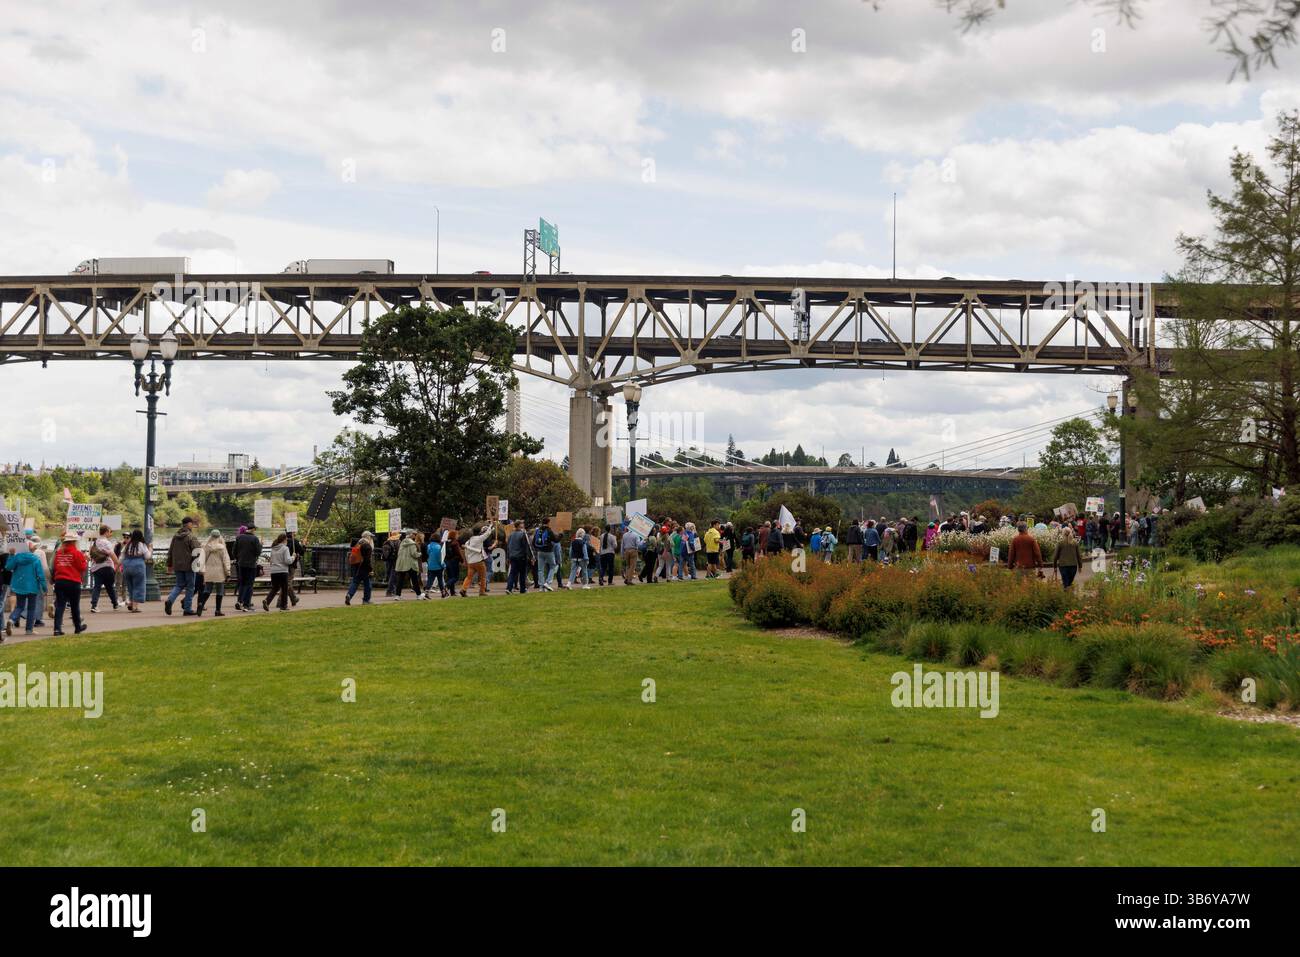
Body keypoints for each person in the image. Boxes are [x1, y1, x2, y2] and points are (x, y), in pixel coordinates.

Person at [5, 536, 46, 638]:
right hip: (32, 587)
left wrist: (11, 555)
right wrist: (44, 587)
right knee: (31, 608)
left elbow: (8, 567)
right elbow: (40, 575)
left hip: (19, 586)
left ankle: (12, 619)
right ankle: (29, 629)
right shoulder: (35, 559)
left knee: (20, 606)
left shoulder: (17, 557)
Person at [51, 530, 88, 637]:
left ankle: (57, 629)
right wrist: (85, 560)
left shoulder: (59, 553)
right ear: (74, 542)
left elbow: (56, 566)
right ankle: (77, 627)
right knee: (74, 606)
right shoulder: (77, 553)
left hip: (60, 581)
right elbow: (82, 567)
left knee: (60, 605)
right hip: (73, 581)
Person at [164, 517, 201, 616]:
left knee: (179, 585)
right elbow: (197, 551)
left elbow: (170, 551)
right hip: (189, 566)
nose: (192, 525)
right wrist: (197, 565)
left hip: (177, 565)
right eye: (191, 524)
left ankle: (170, 600)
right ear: (188, 524)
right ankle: (187, 609)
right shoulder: (191, 536)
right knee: (190, 587)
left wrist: (169, 564)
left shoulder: (175, 536)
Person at [197, 528, 231, 616]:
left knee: (207, 590)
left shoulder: (206, 547)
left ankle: (201, 603)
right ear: (219, 537)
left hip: (209, 571)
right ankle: (217, 610)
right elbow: (225, 561)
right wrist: (228, 573)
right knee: (220, 591)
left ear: (211, 536)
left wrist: (201, 570)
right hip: (219, 572)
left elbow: (202, 559)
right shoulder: (222, 548)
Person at [87, 525, 120, 613]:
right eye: (109, 531)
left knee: (97, 587)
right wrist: (117, 563)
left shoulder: (95, 542)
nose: (110, 533)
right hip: (107, 566)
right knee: (109, 587)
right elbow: (112, 554)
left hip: (96, 568)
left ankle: (94, 605)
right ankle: (115, 604)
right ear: (105, 532)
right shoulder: (106, 542)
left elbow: (91, 554)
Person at [233, 524, 262, 612]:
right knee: (249, 584)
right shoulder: (255, 539)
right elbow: (258, 552)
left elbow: (234, 551)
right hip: (251, 565)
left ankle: (239, 601)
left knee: (242, 583)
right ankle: (246, 604)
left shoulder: (239, 537)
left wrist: (239, 559)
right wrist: (261, 545)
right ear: (252, 529)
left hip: (241, 564)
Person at [261, 533, 293, 611]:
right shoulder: (285, 548)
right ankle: (283, 606)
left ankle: (267, 601)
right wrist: (293, 557)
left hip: (274, 571)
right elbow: (287, 561)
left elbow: (271, 561)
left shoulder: (273, 548)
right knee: (284, 589)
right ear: (284, 540)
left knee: (275, 588)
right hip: (282, 571)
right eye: (286, 540)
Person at [461, 525, 492, 597]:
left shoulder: (467, 542)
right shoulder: (479, 538)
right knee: (483, 577)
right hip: (479, 561)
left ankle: (463, 589)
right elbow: (488, 533)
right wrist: (490, 525)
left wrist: (466, 562)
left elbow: (466, 553)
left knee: (469, 577)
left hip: (471, 562)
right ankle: (482, 592)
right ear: (479, 532)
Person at [345, 532, 375, 605]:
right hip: (364, 567)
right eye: (371, 537)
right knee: (367, 584)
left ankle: (349, 594)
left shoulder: (358, 543)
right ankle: (366, 600)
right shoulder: (367, 546)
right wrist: (370, 569)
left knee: (355, 582)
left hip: (356, 566)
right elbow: (367, 560)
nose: (372, 539)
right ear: (368, 537)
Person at [392, 531, 424, 599]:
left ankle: (397, 596)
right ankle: (419, 595)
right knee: (414, 580)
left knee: (400, 580)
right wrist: (420, 554)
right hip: (410, 564)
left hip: (402, 564)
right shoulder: (412, 544)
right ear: (411, 535)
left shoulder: (402, 543)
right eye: (414, 534)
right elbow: (414, 554)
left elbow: (399, 553)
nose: (415, 536)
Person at [425, 532, 446, 598]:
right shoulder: (438, 547)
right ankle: (443, 593)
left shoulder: (429, 546)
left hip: (430, 566)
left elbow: (428, 554)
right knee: (440, 580)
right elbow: (440, 558)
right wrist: (443, 565)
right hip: (438, 567)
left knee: (430, 580)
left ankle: (427, 593)